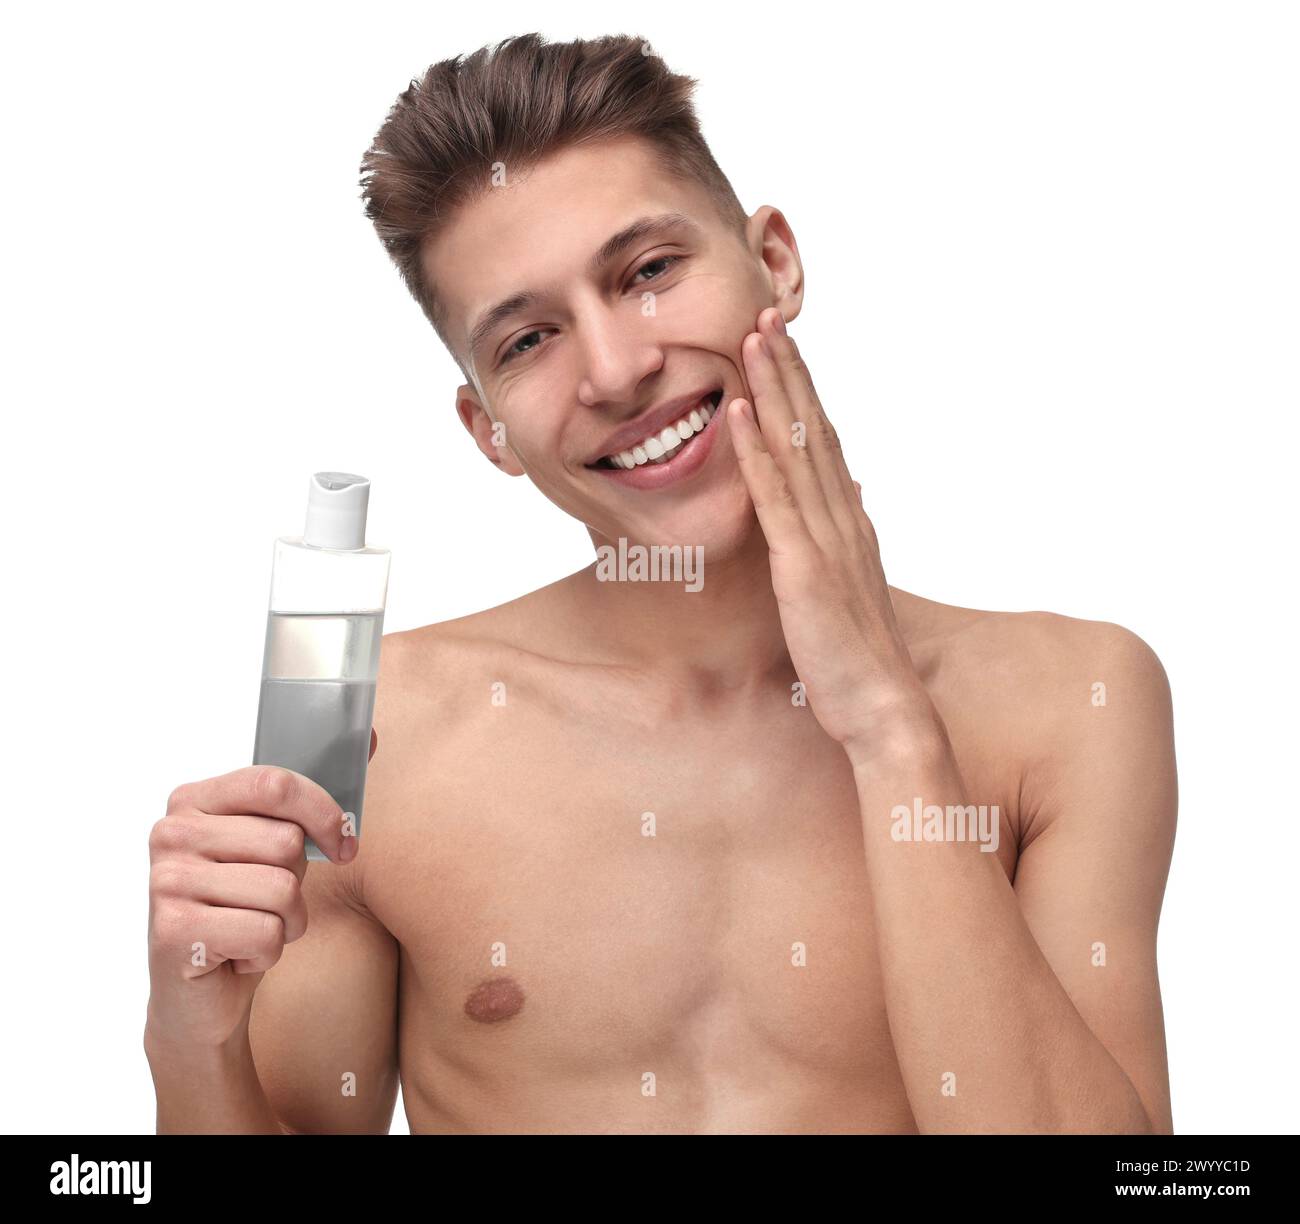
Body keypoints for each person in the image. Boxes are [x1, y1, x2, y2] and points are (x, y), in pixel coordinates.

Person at [145, 32, 1177, 1134]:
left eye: (647, 273)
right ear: (486, 429)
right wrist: (187, 1043)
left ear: (773, 260)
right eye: (530, 338)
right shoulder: (367, 725)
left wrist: (888, 725)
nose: (616, 370)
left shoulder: (1072, 701)